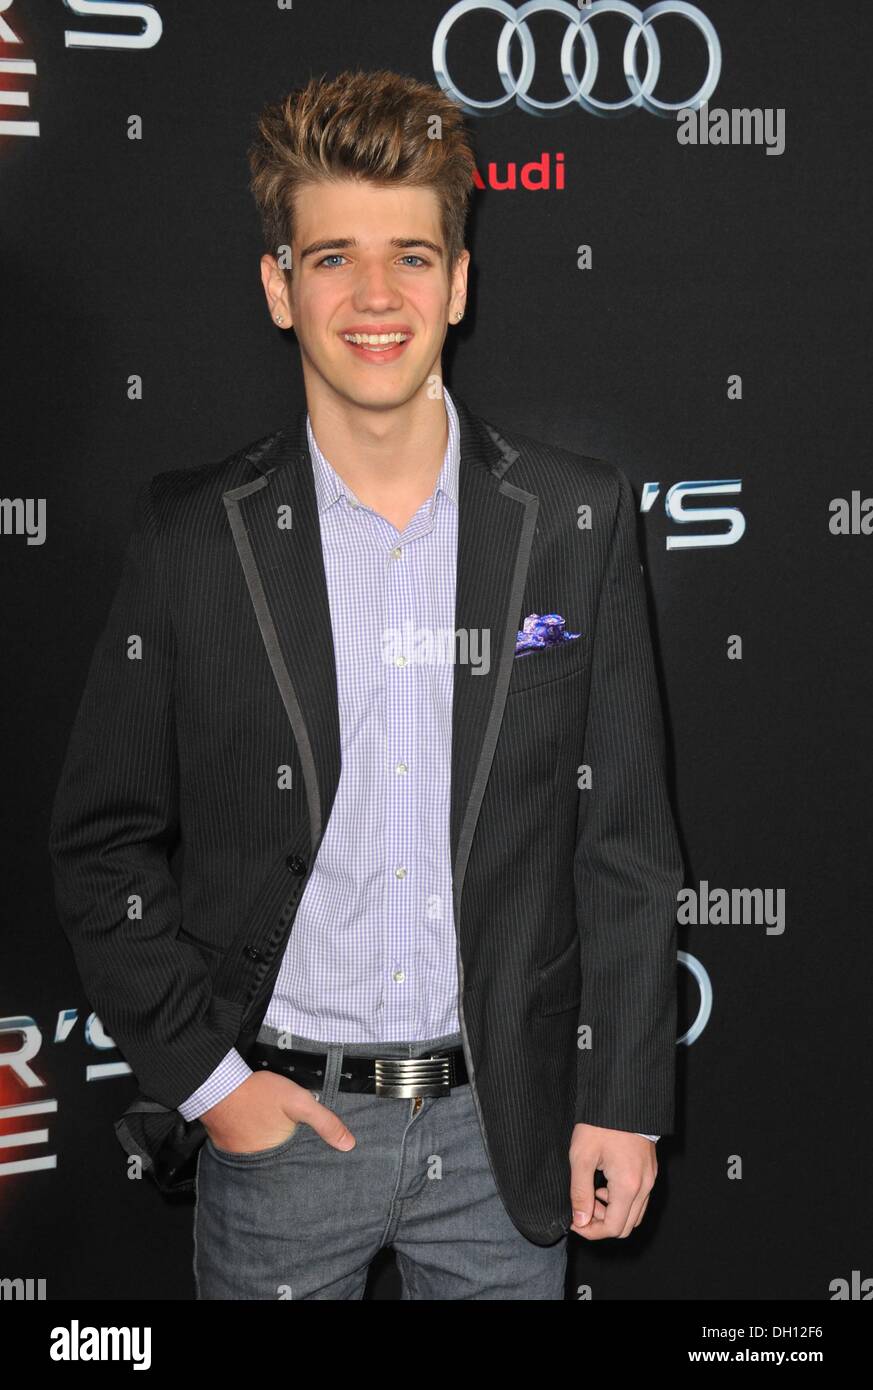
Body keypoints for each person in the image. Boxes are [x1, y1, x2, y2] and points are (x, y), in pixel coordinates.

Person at [48, 68, 684, 1300]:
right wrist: (216, 1087)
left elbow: (624, 846)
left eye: (411, 254)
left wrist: (623, 1097)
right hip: (282, 1135)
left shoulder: (573, 518)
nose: (378, 296)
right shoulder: (192, 538)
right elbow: (101, 843)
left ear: (459, 278)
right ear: (280, 287)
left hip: (504, 1135)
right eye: (334, 256)